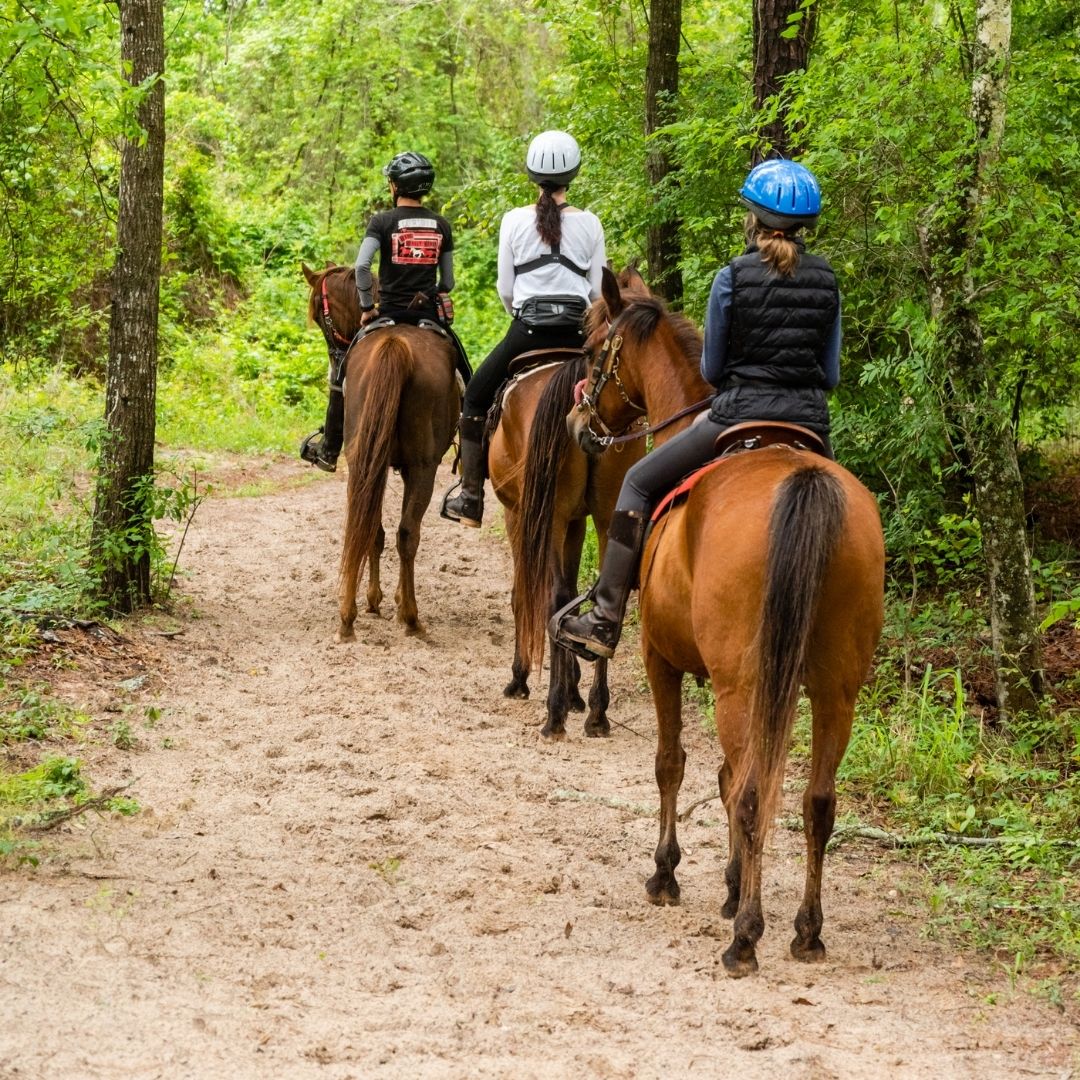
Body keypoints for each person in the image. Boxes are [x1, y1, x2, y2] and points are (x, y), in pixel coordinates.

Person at [554, 158, 841, 661]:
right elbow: (831, 373)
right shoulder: (827, 279)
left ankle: (603, 617)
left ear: (751, 218)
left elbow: (711, 369)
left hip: (737, 415)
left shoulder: (733, 277)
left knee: (638, 483)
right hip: (810, 424)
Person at [440, 130, 606, 526]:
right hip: (579, 333)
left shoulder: (514, 220)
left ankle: (471, 496)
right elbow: (600, 290)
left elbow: (506, 290)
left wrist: (521, 312)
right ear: (574, 174)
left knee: (476, 397)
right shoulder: (590, 223)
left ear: (532, 175)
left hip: (527, 330)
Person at [301, 151, 464, 473]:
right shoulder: (441, 225)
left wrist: (365, 307)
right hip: (427, 316)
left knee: (341, 375)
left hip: (387, 312)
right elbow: (448, 281)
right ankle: (471, 441)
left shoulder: (382, 222)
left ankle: (330, 448)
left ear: (394, 186)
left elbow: (362, 266)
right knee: (465, 376)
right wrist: (437, 292)